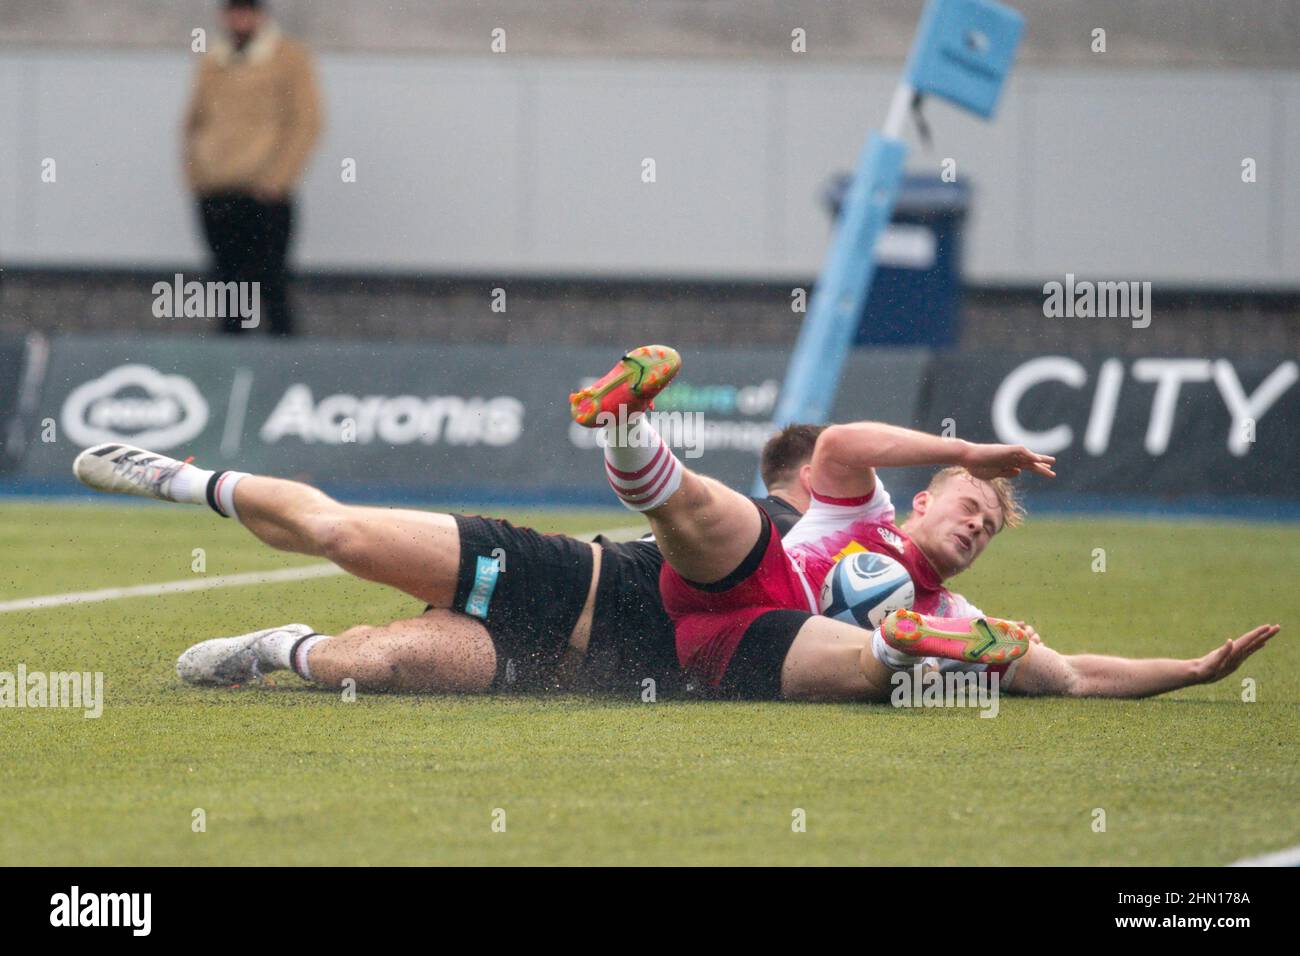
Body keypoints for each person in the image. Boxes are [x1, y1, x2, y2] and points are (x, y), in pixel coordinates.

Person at [568, 345, 1282, 702]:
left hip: (776, 642)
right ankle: (626, 420)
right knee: (703, 507)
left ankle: (901, 651)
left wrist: (1193, 670)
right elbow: (840, 446)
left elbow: (1072, 677)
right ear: (921, 503)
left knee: (900, 666)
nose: (976, 526)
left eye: (988, 529)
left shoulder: (955, 607)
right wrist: (969, 452)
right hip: (759, 582)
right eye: (969, 506)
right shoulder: (863, 512)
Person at [70, 426, 820, 696]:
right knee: (343, 538)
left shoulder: (876, 573)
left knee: (367, 669)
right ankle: (183, 479)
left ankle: (276, 646)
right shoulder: (782, 523)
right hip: (562, 584)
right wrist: (948, 451)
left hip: (557, 665)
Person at [183, 0, 322, 335]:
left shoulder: (288, 57)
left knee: (271, 281)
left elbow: (306, 122)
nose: (239, 19)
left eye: (246, 11)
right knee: (227, 285)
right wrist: (198, 175)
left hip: (264, 192)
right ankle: (230, 366)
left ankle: (286, 368)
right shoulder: (214, 59)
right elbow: (194, 121)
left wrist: (278, 179)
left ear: (260, 15)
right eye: (233, 12)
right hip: (218, 189)